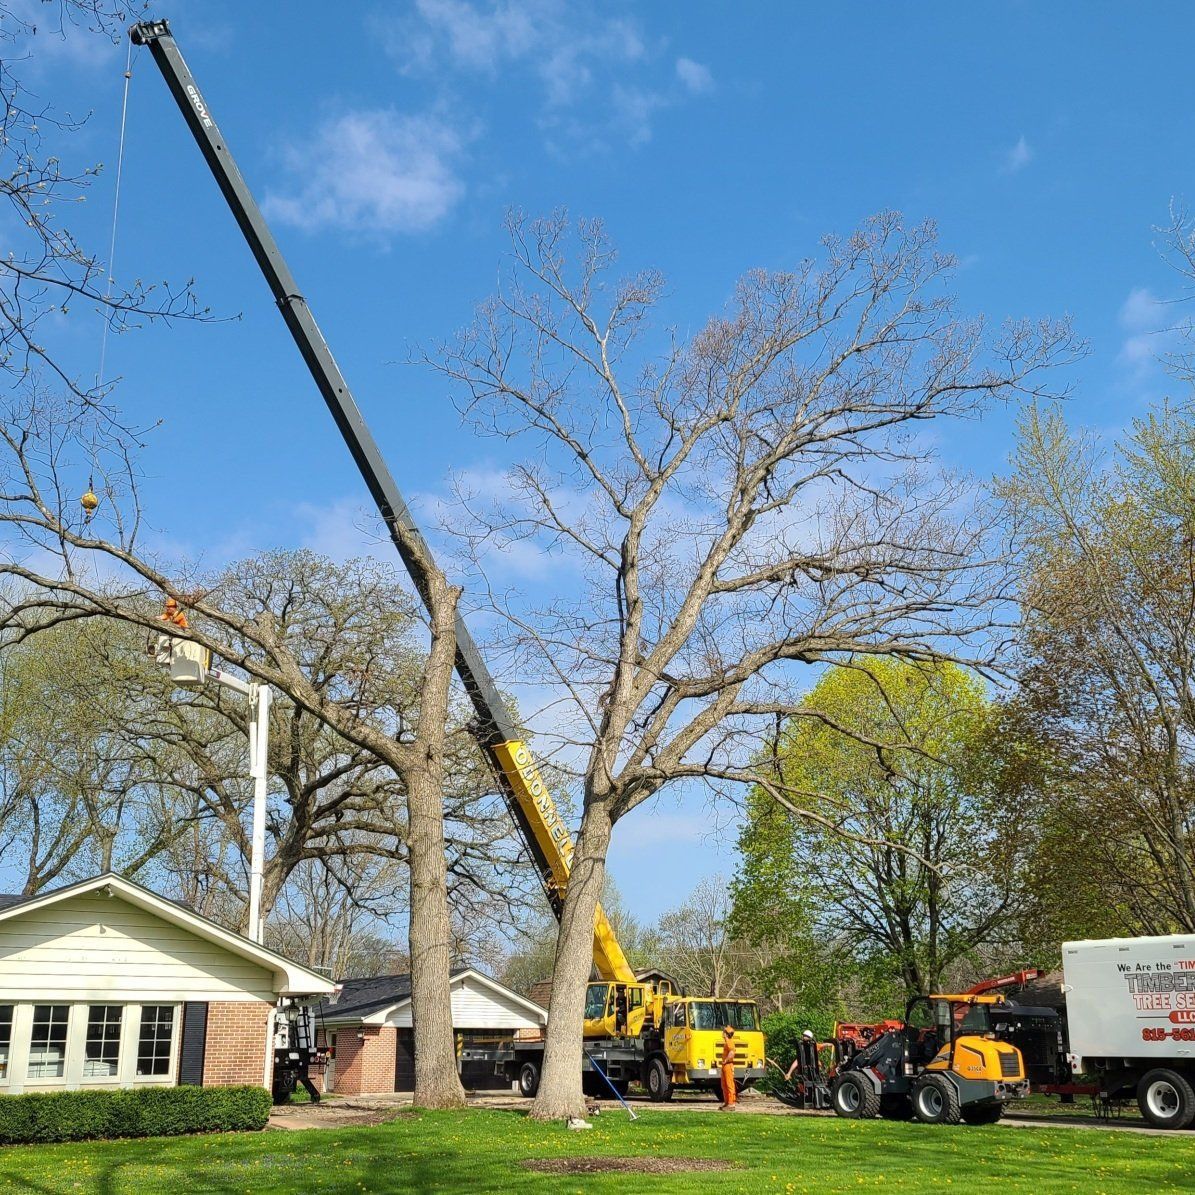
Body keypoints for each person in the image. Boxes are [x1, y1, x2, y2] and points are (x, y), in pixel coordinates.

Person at [719, 1024, 737, 1110]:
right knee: (724, 1084)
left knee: (729, 1084)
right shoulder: (727, 1042)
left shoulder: (729, 1042)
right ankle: (727, 1103)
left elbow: (732, 1052)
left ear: (726, 1033)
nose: (722, 1033)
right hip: (725, 1065)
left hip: (728, 1065)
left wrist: (726, 1060)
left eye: (724, 1031)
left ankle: (731, 1104)